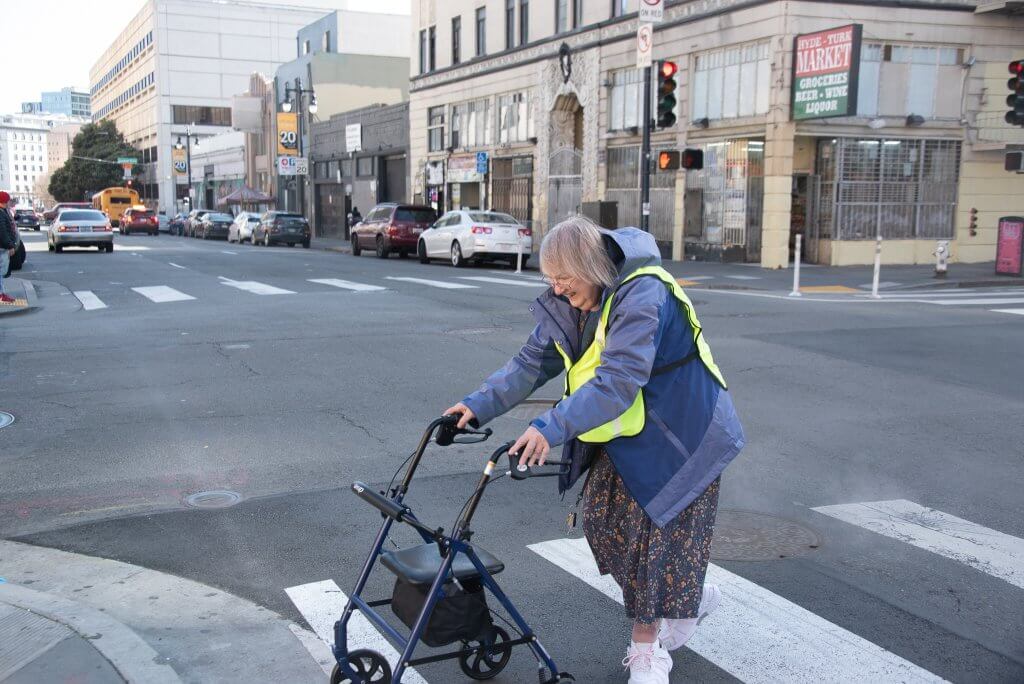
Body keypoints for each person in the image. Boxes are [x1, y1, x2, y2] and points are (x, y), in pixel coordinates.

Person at [445, 216, 745, 684]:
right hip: (625, 430)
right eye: (552, 281)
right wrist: (475, 405)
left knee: (650, 541)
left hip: (681, 433)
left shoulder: (644, 292)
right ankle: (687, 594)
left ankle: (648, 655)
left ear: (592, 266)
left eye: (565, 279)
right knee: (605, 528)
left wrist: (550, 427)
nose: (559, 290)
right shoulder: (575, 300)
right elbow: (531, 362)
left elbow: (619, 380)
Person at [0, 191, 18, 303]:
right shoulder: (1, 213)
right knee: (1, 271)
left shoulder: (3, 211)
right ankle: (1, 295)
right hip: (2, 247)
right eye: (7, 201)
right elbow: (2, 231)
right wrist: (10, 246)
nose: (8, 203)